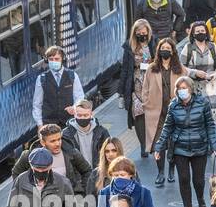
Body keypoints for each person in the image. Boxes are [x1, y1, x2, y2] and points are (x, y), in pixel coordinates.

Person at [154, 75, 216, 207]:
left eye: (185, 88)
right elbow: (167, 128)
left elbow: (210, 125)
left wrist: (213, 144)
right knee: (183, 179)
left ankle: (201, 198)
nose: (182, 91)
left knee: (198, 180)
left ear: (191, 89)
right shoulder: (173, 106)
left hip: (199, 146)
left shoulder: (202, 103)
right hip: (180, 148)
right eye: (179, 88)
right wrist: (159, 147)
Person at [143, 38, 184, 185]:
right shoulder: (151, 69)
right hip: (156, 113)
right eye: (162, 48)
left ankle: (171, 171)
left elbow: (187, 86)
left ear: (172, 51)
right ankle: (160, 173)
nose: (165, 50)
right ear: (159, 51)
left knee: (173, 143)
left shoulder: (180, 69)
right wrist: (146, 103)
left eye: (168, 48)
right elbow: (145, 89)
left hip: (175, 113)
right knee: (158, 144)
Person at [118, 22, 155, 158]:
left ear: (148, 31)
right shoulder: (129, 46)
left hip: (152, 83)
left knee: (152, 115)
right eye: (138, 31)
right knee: (139, 115)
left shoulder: (154, 43)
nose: (141, 33)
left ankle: (153, 141)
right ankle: (143, 145)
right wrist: (121, 92)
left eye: (143, 31)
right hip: (136, 84)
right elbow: (125, 69)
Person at [95, 154, 161, 207]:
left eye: (122, 175)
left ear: (131, 175)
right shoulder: (104, 193)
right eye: (116, 175)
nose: (119, 178)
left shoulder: (143, 192)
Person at [31, 45, 84, 129]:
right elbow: (37, 104)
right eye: (51, 59)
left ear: (62, 59)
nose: (53, 61)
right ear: (47, 60)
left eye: (56, 59)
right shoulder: (41, 79)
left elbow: (79, 97)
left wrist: (74, 108)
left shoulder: (72, 76)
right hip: (49, 124)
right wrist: (40, 125)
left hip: (69, 122)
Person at [62, 98, 110, 172]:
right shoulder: (66, 135)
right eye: (79, 115)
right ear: (74, 114)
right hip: (78, 176)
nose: (82, 118)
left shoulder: (102, 132)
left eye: (85, 115)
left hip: (98, 173)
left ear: (91, 114)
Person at [177, 22, 216, 102]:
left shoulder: (213, 47)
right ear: (193, 34)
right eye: (197, 31)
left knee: (212, 111)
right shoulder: (188, 47)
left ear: (206, 32)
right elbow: (180, 66)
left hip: (211, 86)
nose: (200, 33)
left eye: (202, 31)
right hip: (193, 86)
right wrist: (194, 72)